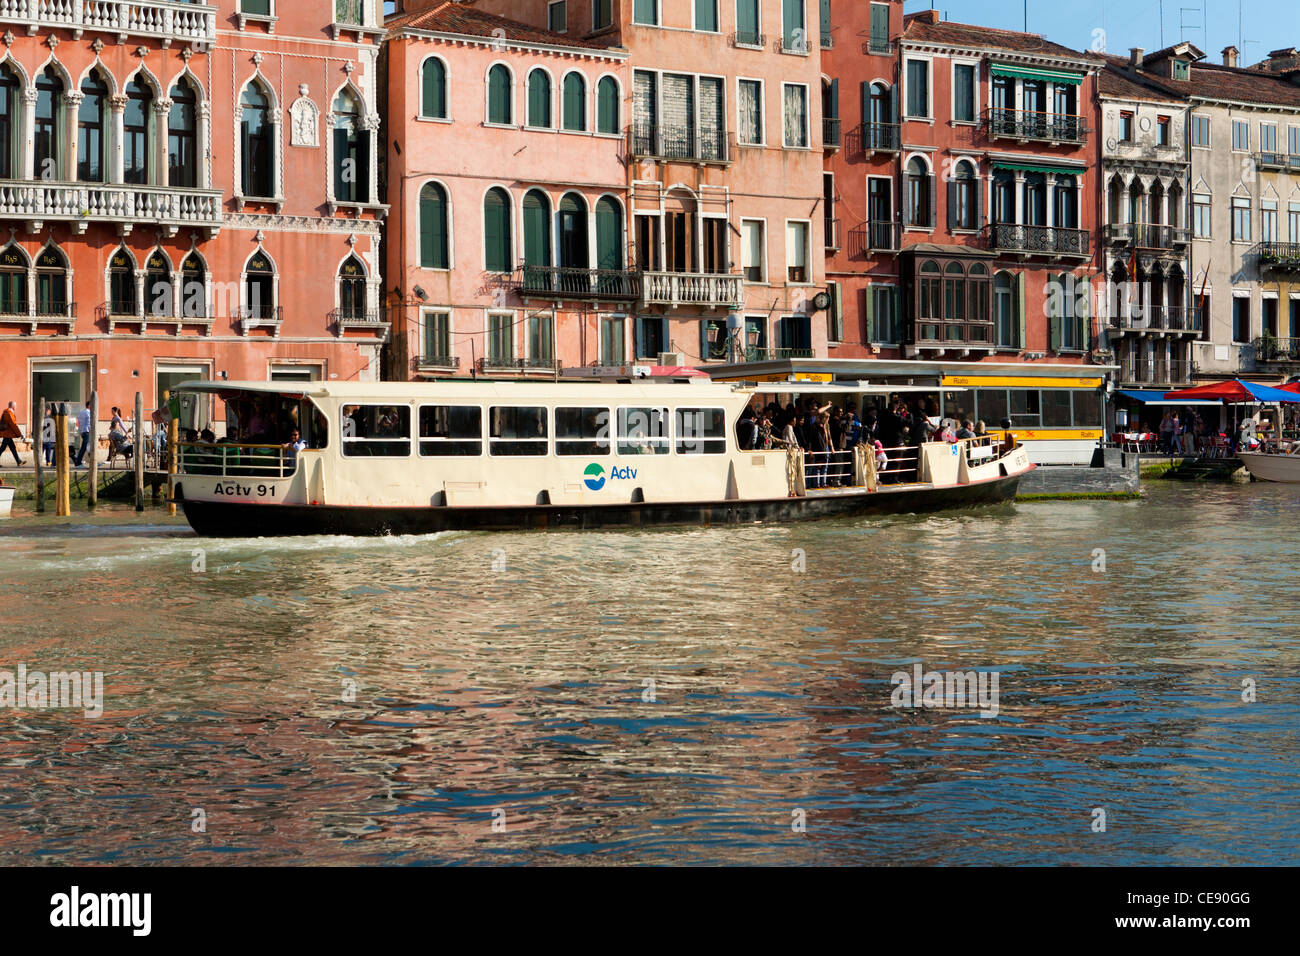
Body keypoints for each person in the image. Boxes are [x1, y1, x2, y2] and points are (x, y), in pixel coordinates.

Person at [0, 401, 23, 466]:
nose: (16, 407)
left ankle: (19, 461)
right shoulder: (9, 413)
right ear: (13, 407)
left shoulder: (7, 412)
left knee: (12, 448)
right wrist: (19, 434)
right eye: (15, 406)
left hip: (7, 434)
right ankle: (18, 461)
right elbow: (13, 425)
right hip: (7, 434)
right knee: (2, 448)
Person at [71, 401, 91, 467]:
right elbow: (89, 423)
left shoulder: (81, 412)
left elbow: (78, 422)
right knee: (84, 447)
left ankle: (82, 461)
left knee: (87, 447)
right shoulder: (89, 413)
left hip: (82, 432)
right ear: (89, 405)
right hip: (87, 432)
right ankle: (78, 462)